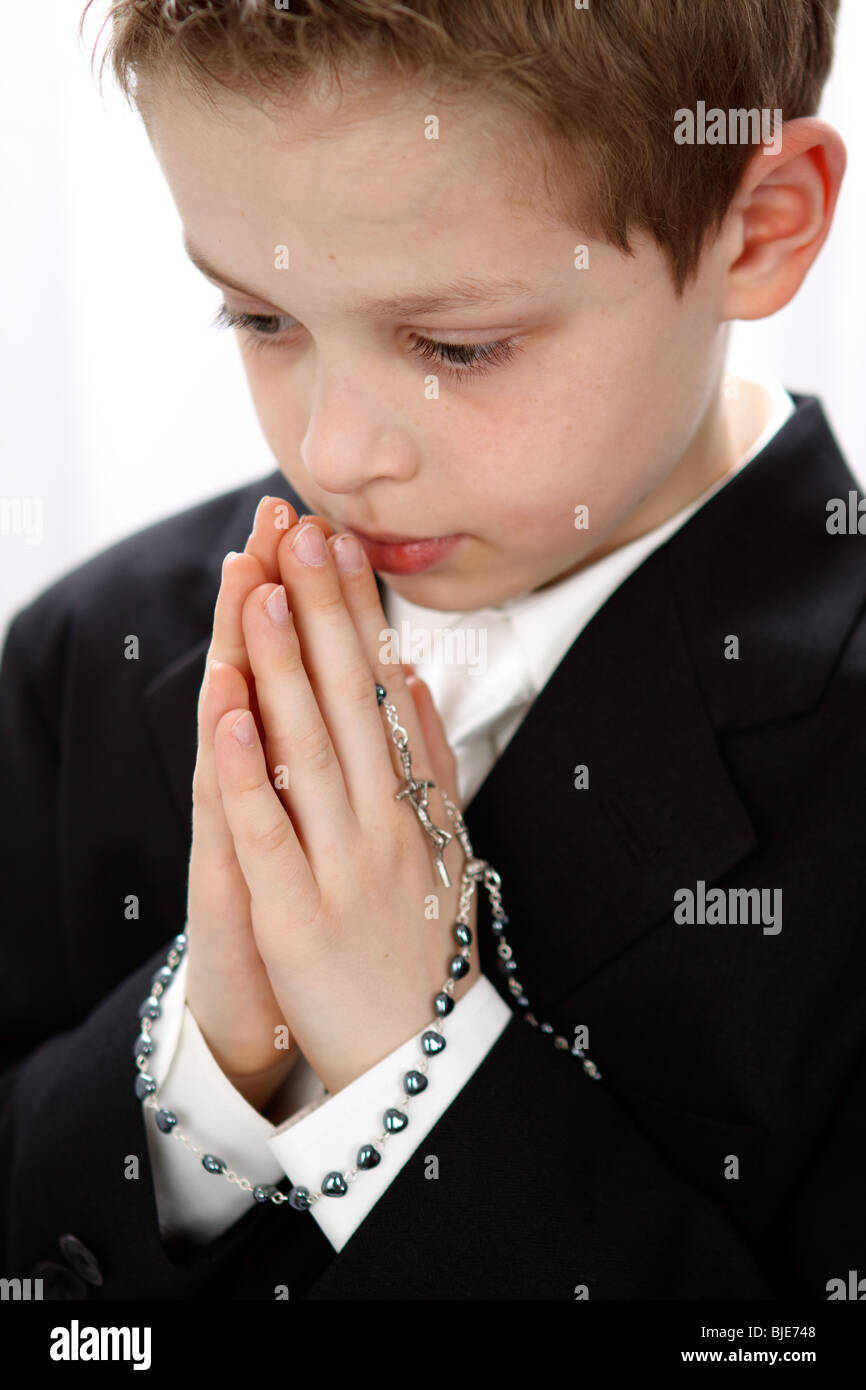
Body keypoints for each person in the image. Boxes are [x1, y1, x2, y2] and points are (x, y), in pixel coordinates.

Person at [1, 0, 864, 1302]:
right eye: (259, 317)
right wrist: (200, 1058)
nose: (334, 452)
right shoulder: (89, 655)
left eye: (456, 345)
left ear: (758, 224)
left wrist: (415, 1071)